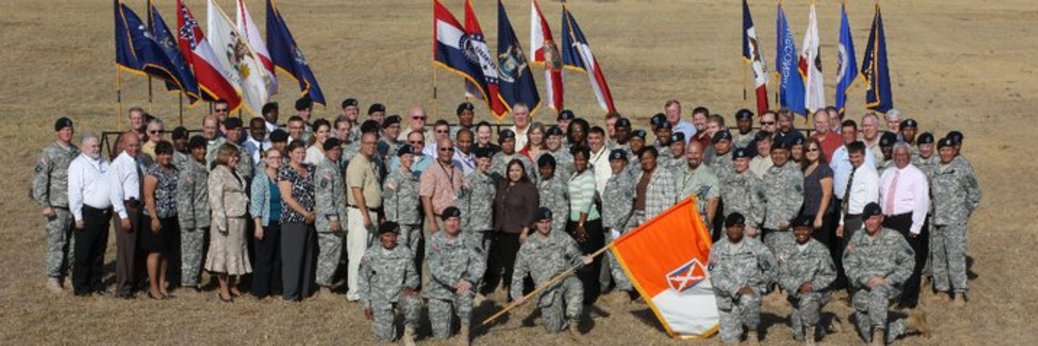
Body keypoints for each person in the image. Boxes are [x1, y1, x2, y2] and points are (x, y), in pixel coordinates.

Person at [843, 203, 930, 344]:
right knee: (867, 336)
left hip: (888, 286)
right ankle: (910, 323)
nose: (869, 222)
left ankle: (878, 337)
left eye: (873, 218)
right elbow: (848, 263)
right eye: (866, 219)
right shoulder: (857, 237)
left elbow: (909, 261)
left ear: (881, 218)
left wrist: (889, 280)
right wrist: (864, 279)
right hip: (864, 286)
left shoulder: (894, 237)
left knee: (877, 293)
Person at [511, 208, 593, 337]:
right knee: (553, 329)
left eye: (548, 221)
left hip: (565, 277)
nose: (545, 225)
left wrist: (583, 260)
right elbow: (518, 271)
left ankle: (573, 324)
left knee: (576, 286)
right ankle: (560, 313)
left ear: (552, 221)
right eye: (541, 222)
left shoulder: (562, 237)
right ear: (535, 224)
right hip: (546, 286)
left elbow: (575, 255)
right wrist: (517, 295)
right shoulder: (528, 245)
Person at [708, 213, 777, 344]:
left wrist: (760, 287)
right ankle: (736, 324)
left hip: (750, 293)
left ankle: (752, 330)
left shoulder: (755, 246)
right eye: (731, 227)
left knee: (748, 298)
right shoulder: (717, 248)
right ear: (725, 228)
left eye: (739, 227)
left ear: (744, 227)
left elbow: (772, 268)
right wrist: (737, 289)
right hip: (727, 298)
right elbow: (715, 276)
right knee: (730, 340)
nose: (735, 230)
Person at [930, 137, 982, 306]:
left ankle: (959, 292)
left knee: (955, 257)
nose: (945, 153)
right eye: (942, 150)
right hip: (937, 221)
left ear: (954, 151)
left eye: (948, 150)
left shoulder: (961, 169)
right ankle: (942, 290)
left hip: (954, 223)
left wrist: (964, 212)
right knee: (938, 257)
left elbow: (975, 192)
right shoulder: (934, 170)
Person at [878, 143, 930, 309]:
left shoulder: (917, 175)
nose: (900, 157)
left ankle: (908, 300)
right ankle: (893, 294)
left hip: (907, 221)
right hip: (888, 220)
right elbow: (881, 197)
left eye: (903, 154)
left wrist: (916, 227)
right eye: (897, 154)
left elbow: (922, 202)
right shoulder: (886, 173)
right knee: (891, 260)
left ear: (909, 156)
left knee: (909, 260)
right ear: (893, 156)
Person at [424, 207, 486, 343]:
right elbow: (435, 267)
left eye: (456, 220)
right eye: (449, 220)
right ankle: (450, 317)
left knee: (464, 297)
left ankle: (464, 334)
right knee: (441, 336)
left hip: (463, 286)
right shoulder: (434, 240)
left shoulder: (469, 239)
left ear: (460, 221)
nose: (453, 223)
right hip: (440, 289)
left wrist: (469, 281)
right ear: (443, 222)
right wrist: (455, 282)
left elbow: (480, 262)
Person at [32, 117, 78, 293]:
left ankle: (67, 275)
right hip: (57, 206)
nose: (67, 132)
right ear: (57, 132)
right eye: (64, 130)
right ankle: (53, 278)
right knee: (57, 242)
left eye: (70, 129)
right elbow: (39, 180)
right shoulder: (49, 152)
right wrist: (44, 204)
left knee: (73, 244)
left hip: (74, 206)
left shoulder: (76, 152)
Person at [775, 216, 837, 343]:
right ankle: (823, 323)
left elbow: (830, 274)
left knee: (808, 302)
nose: (801, 233)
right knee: (799, 336)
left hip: (817, 292)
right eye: (797, 229)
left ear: (811, 230)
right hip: (796, 293)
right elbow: (781, 274)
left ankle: (810, 340)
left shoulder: (821, 249)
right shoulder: (785, 249)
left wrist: (812, 286)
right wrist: (798, 286)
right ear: (793, 230)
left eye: (805, 229)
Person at [359, 222, 421, 345]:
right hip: (380, 298)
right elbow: (363, 281)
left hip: (399, 293)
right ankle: (386, 323)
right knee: (385, 339)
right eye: (387, 235)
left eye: (394, 236)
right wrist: (367, 305)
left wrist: (409, 286)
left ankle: (408, 335)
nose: (391, 239)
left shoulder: (405, 251)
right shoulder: (371, 254)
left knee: (414, 302)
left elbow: (413, 275)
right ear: (381, 236)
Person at [484, 160, 538, 299]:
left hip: (518, 231)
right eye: (511, 170)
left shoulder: (528, 187)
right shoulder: (503, 185)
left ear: (523, 171)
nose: (514, 173)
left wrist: (525, 230)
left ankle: (516, 293)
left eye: (518, 170)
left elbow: (532, 210)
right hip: (502, 230)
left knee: (517, 264)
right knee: (507, 264)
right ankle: (510, 289)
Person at [205, 144, 252, 302]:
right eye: (232, 155)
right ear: (224, 156)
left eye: (236, 155)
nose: (235, 158)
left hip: (240, 219)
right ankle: (223, 288)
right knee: (223, 255)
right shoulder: (216, 174)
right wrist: (221, 221)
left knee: (236, 253)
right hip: (226, 221)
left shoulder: (235, 173)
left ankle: (232, 284)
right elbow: (215, 199)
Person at [68, 133, 111, 296]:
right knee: (84, 252)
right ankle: (81, 286)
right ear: (83, 148)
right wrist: (77, 216)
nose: (96, 149)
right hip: (87, 213)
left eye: (98, 145)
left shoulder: (103, 162)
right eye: (92, 146)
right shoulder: (78, 165)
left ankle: (96, 283)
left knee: (99, 250)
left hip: (103, 213)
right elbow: (74, 192)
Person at [278, 140, 317, 302]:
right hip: (293, 219)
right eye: (297, 153)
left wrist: (313, 212)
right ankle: (291, 294)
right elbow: (287, 197)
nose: (301, 155)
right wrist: (305, 213)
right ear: (290, 154)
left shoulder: (310, 169)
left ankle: (304, 291)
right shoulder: (286, 171)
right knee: (293, 258)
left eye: (303, 152)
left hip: (310, 219)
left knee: (307, 256)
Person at [346, 132, 382, 301]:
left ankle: (364, 287)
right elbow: (356, 191)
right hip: (360, 212)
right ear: (361, 143)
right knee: (357, 254)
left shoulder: (372, 162)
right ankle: (354, 291)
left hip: (371, 212)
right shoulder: (357, 163)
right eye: (368, 143)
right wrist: (365, 214)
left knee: (368, 254)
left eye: (374, 143)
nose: (371, 146)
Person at [566, 146, 605, 303]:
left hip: (587, 222)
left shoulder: (588, 176)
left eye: (582, 159)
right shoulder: (575, 175)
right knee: (578, 258)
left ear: (587, 160)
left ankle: (589, 295)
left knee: (586, 259)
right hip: (576, 221)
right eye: (576, 159)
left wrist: (581, 224)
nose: (579, 162)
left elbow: (587, 200)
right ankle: (581, 291)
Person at [108, 131, 144, 299]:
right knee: (126, 250)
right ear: (123, 145)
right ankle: (123, 288)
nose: (134, 148)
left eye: (137, 145)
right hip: (126, 207)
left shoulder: (138, 161)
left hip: (138, 206)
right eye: (131, 145)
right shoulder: (118, 164)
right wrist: (123, 216)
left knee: (136, 248)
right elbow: (115, 193)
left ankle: (135, 282)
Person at [599, 149, 636, 304]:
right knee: (613, 259)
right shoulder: (613, 179)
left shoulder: (625, 180)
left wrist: (617, 226)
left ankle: (625, 291)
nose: (615, 164)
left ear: (625, 163)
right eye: (613, 162)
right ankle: (621, 288)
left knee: (619, 259)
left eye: (618, 161)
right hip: (610, 225)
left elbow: (627, 206)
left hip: (618, 228)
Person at [175, 136, 210, 292]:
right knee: (190, 253)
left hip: (202, 217)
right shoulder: (189, 169)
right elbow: (184, 196)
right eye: (197, 148)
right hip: (192, 219)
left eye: (203, 148)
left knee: (197, 251)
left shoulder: (201, 166)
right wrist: (188, 220)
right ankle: (188, 283)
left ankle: (194, 280)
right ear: (191, 150)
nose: (201, 151)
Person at [314, 138, 348, 295]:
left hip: (337, 219)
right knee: (328, 255)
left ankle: (328, 283)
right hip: (328, 221)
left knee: (334, 253)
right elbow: (324, 196)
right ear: (326, 151)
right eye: (333, 149)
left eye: (338, 149)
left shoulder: (335, 166)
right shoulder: (325, 169)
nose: (336, 152)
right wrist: (333, 217)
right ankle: (323, 286)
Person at [250, 148, 283, 299]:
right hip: (265, 223)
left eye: (278, 157)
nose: (275, 160)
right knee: (264, 258)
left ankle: (275, 289)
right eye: (272, 157)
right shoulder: (260, 179)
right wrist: (258, 225)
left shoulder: (282, 177)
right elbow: (256, 204)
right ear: (265, 159)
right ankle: (261, 291)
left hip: (280, 223)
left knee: (277, 258)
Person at [760, 140, 804, 252]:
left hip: (784, 227)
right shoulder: (769, 172)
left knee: (784, 260)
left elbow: (797, 199)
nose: (778, 156)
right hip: (769, 225)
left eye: (781, 153)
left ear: (788, 154)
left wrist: (787, 220)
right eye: (775, 153)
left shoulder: (794, 172)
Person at [457, 147, 496, 268]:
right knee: (474, 259)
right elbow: (463, 204)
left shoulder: (490, 180)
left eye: (488, 161)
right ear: (477, 160)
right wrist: (464, 226)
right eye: (483, 160)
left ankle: (478, 286)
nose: (486, 163)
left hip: (487, 226)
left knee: (484, 259)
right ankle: (471, 286)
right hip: (473, 227)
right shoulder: (469, 179)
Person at [383, 144, 423, 256]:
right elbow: (387, 199)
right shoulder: (393, 177)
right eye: (406, 156)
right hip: (401, 223)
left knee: (412, 255)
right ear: (400, 158)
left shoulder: (414, 178)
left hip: (414, 221)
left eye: (411, 156)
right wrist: (392, 223)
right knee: (400, 254)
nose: (409, 159)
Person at [421, 137, 465, 235]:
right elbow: (425, 198)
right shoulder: (430, 171)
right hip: (438, 220)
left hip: (455, 221)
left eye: (450, 149)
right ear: (437, 150)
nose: (447, 152)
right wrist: (432, 223)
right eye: (443, 149)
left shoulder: (458, 170)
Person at [719, 149, 764, 239]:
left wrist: (754, 225)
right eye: (736, 160)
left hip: (746, 226)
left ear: (748, 161)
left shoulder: (754, 180)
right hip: (729, 225)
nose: (739, 163)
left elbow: (761, 205)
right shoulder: (728, 179)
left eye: (742, 160)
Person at [677, 141, 720, 232]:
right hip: (680, 222)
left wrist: (705, 227)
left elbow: (712, 202)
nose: (692, 156)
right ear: (685, 155)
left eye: (696, 153)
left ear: (702, 155)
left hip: (698, 224)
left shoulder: (709, 176)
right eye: (690, 153)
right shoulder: (679, 173)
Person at [800, 139, 835, 248]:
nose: (811, 152)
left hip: (821, 215)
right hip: (807, 214)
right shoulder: (804, 169)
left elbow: (827, 194)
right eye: (807, 150)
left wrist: (819, 216)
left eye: (814, 149)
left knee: (821, 247)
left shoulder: (824, 169)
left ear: (819, 151)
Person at [632, 147, 679, 226]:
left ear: (655, 158)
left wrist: (663, 220)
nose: (646, 161)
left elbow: (669, 201)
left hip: (655, 219)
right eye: (643, 159)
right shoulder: (639, 176)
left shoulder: (664, 174)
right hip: (639, 218)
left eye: (649, 158)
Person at [537, 154, 569, 235]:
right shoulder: (539, 183)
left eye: (548, 168)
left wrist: (557, 231)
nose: (545, 171)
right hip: (541, 226)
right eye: (543, 169)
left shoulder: (558, 185)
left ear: (553, 169)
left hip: (554, 228)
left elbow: (563, 211)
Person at [587, 127, 612, 196]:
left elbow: (604, 185)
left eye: (597, 138)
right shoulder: (587, 156)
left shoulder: (608, 158)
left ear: (603, 139)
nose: (593, 141)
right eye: (590, 138)